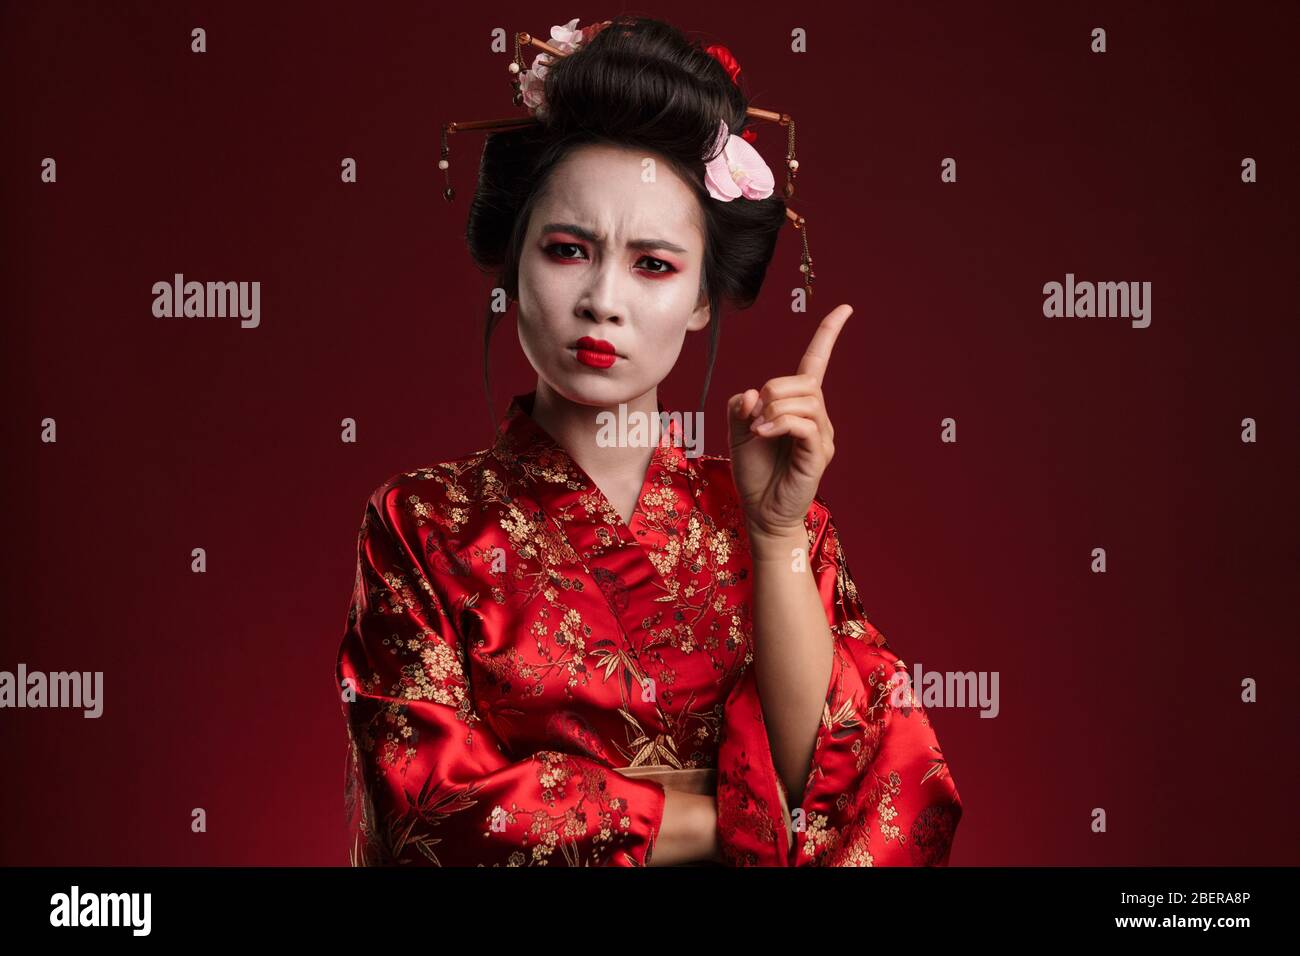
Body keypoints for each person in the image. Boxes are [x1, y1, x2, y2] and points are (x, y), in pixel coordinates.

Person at [335, 14, 961, 867]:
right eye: (566, 250)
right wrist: (731, 825)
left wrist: (776, 534)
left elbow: (853, 779)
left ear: (704, 297)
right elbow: (433, 809)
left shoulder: (782, 525)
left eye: (654, 265)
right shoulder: (423, 525)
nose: (603, 299)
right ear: (514, 265)